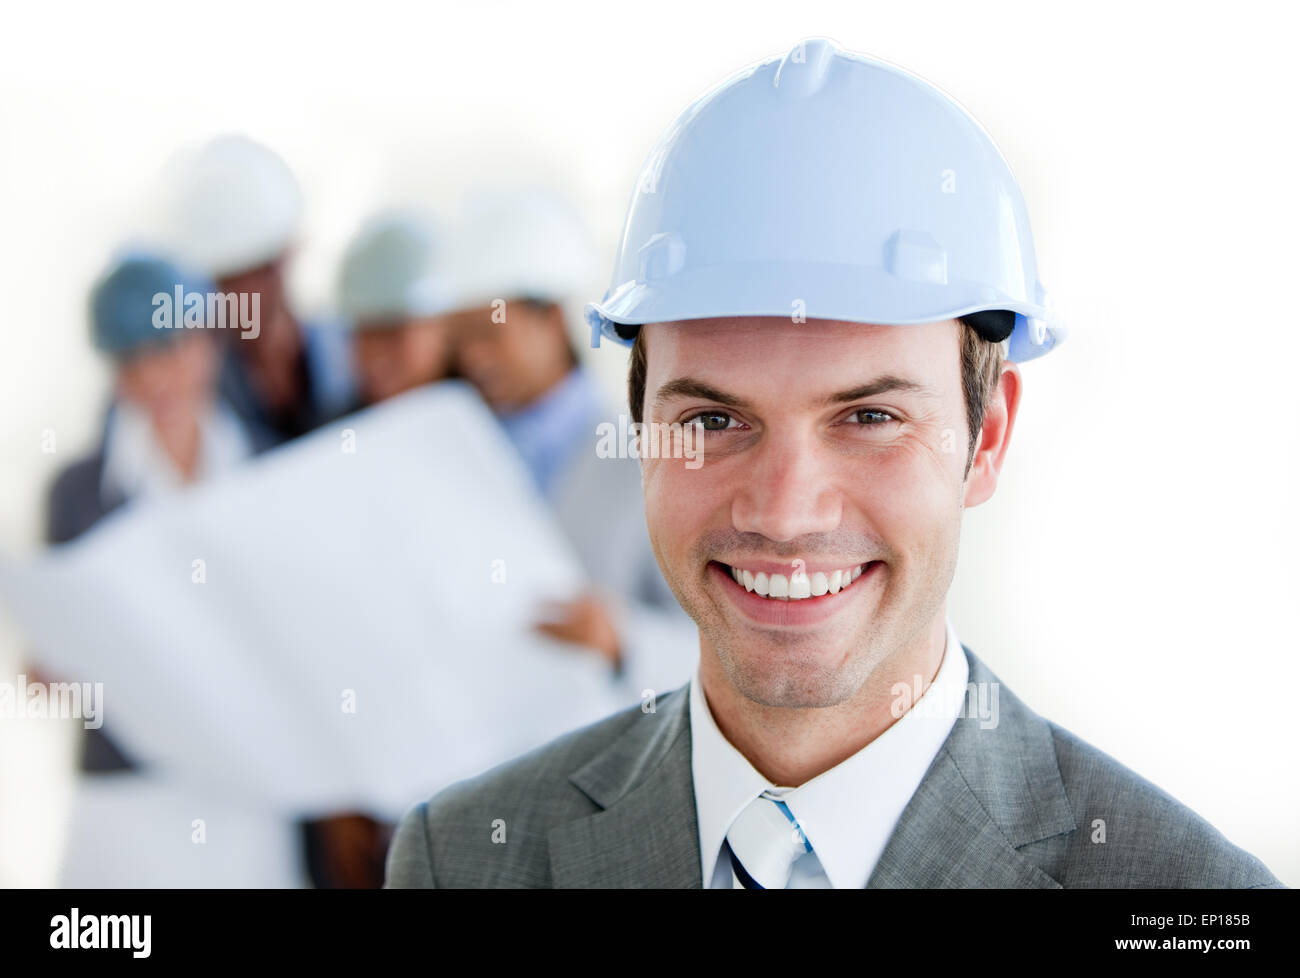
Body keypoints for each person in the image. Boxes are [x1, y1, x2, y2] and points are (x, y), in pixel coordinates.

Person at [385, 39, 1282, 888]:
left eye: (869, 415)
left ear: (988, 438)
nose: (786, 513)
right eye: (712, 419)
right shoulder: (459, 860)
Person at [39, 252, 302, 887]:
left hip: (247, 790)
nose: (155, 378)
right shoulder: (76, 493)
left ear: (209, 342)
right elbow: (58, 656)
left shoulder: (273, 470)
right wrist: (57, 667)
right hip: (126, 800)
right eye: (131, 360)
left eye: (171, 349)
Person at [443, 186, 698, 694]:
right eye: (460, 338)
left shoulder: (647, 454)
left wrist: (624, 640)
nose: (474, 357)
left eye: (490, 334)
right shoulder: (450, 452)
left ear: (552, 319)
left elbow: (724, 641)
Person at [163, 134, 354, 445]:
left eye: (252, 274)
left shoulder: (350, 351)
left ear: (285, 258)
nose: (234, 297)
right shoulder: (192, 386)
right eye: (222, 282)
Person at [336, 210, 458, 406]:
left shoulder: (496, 423)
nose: (374, 353)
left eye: (392, 330)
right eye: (363, 333)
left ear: (446, 326)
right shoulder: (340, 429)